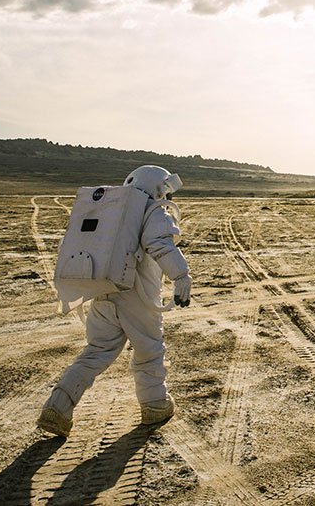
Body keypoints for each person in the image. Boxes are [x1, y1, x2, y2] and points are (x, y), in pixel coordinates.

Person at [37, 165, 193, 438]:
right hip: (137, 297)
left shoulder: (111, 212)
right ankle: (155, 405)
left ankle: (58, 406)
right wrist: (181, 276)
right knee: (149, 350)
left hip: (103, 290)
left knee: (96, 351)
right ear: (159, 189)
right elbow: (160, 244)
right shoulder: (153, 211)